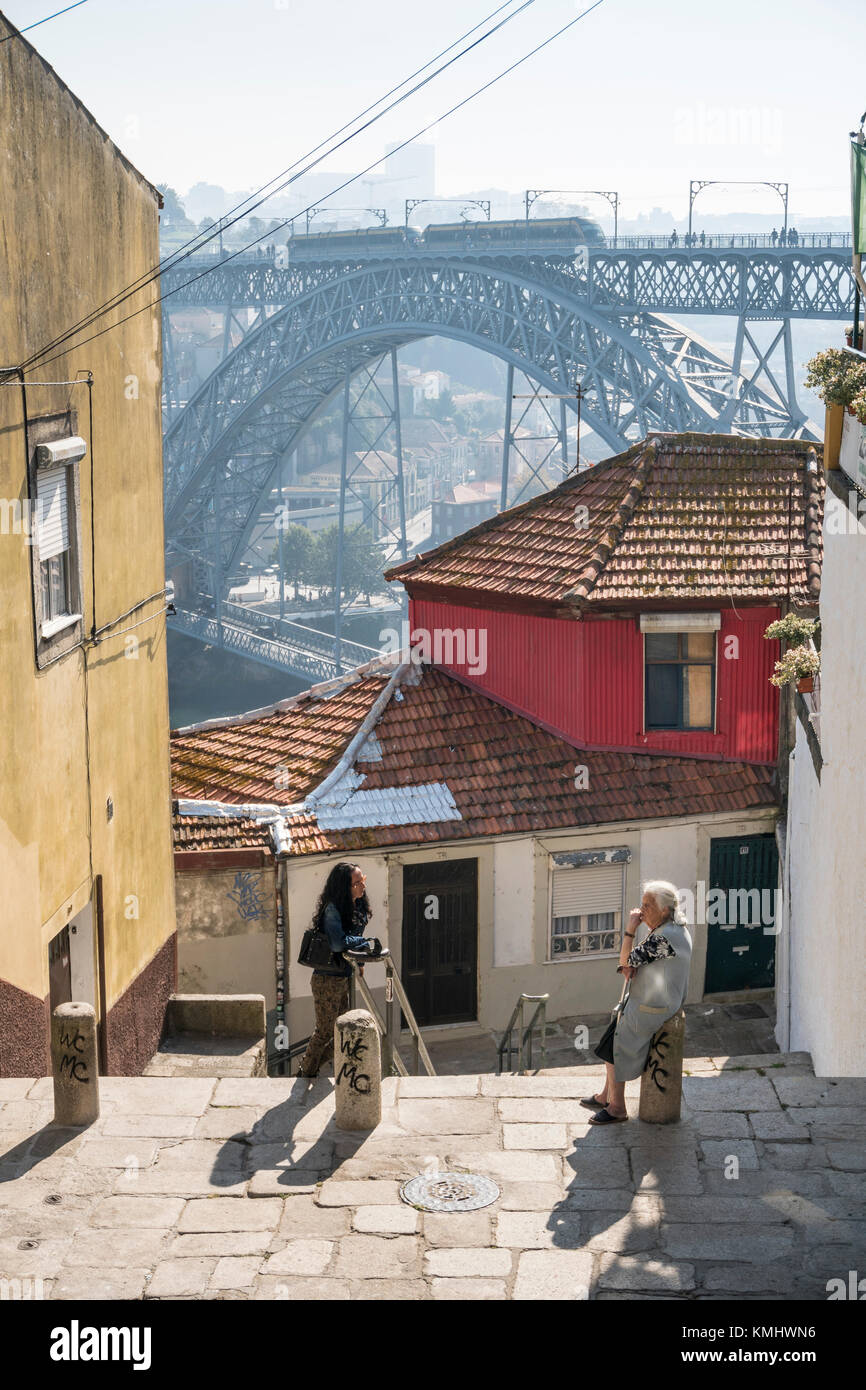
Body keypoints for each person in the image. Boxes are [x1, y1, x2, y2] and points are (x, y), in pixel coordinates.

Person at [582, 880, 692, 1124]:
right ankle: (605, 1095)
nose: (642, 911)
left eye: (648, 906)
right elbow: (642, 963)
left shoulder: (665, 937)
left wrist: (631, 929)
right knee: (612, 1035)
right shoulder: (672, 927)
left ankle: (617, 1108)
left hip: (654, 1006)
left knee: (613, 1047)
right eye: (641, 905)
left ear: (665, 910)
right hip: (654, 998)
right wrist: (635, 967)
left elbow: (625, 962)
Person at [297, 862, 378, 1078]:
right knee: (324, 1031)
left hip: (343, 977)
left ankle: (309, 1068)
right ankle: (305, 1073)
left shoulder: (357, 907)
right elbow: (338, 944)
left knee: (341, 1031)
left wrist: (360, 962)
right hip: (327, 979)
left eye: (363, 880)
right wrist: (362, 941)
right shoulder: (332, 908)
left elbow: (352, 942)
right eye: (357, 883)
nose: (362, 886)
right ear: (344, 886)